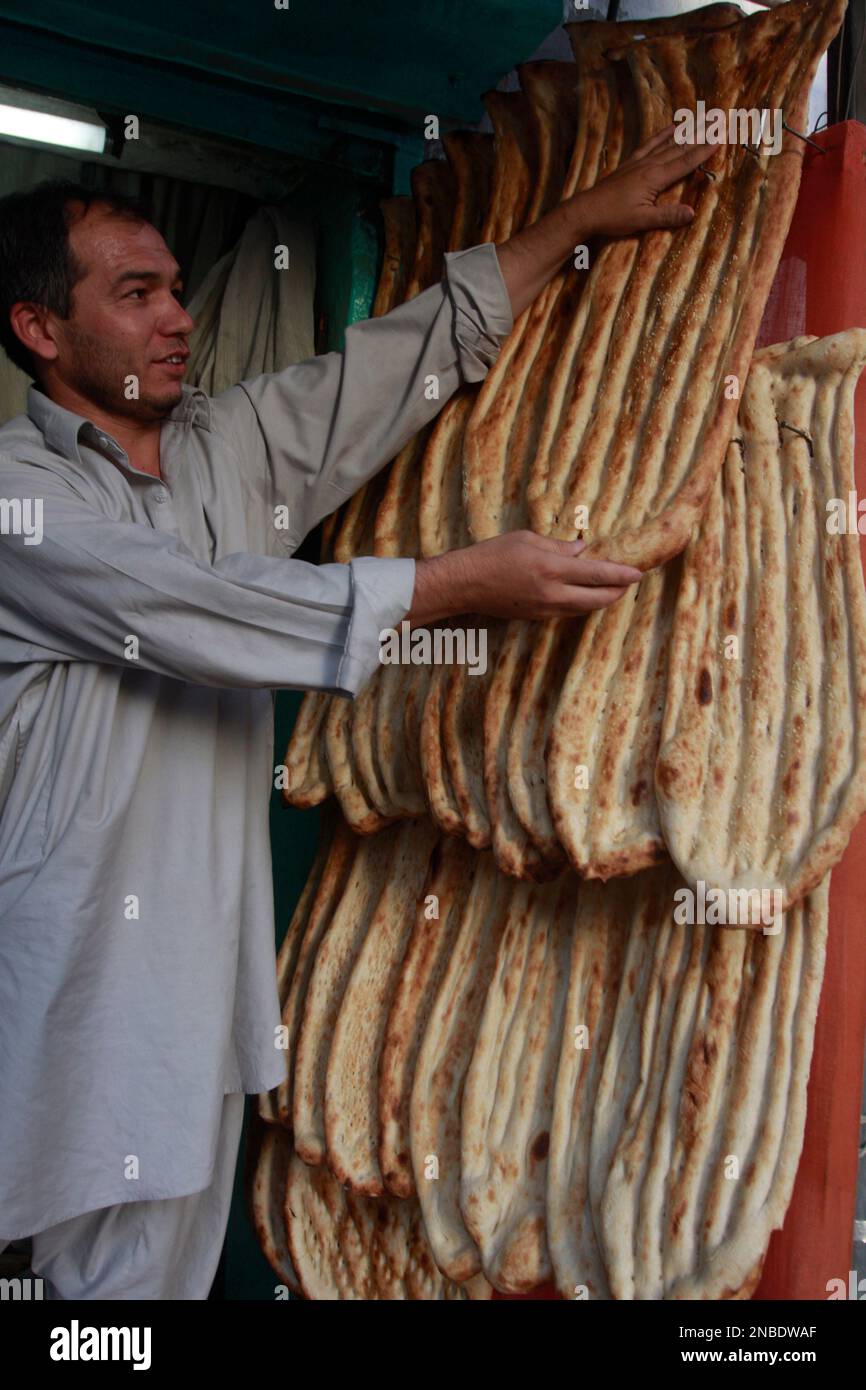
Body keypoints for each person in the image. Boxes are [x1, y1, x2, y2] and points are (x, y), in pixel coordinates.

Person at [0, 126, 710, 1299]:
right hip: (71, 974)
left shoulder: (221, 450)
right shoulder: (23, 502)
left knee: (148, 1293)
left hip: (191, 991)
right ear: (40, 329)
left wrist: (572, 226)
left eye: (178, 288)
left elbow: (389, 373)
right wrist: (451, 585)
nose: (177, 316)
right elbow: (193, 606)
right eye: (136, 295)